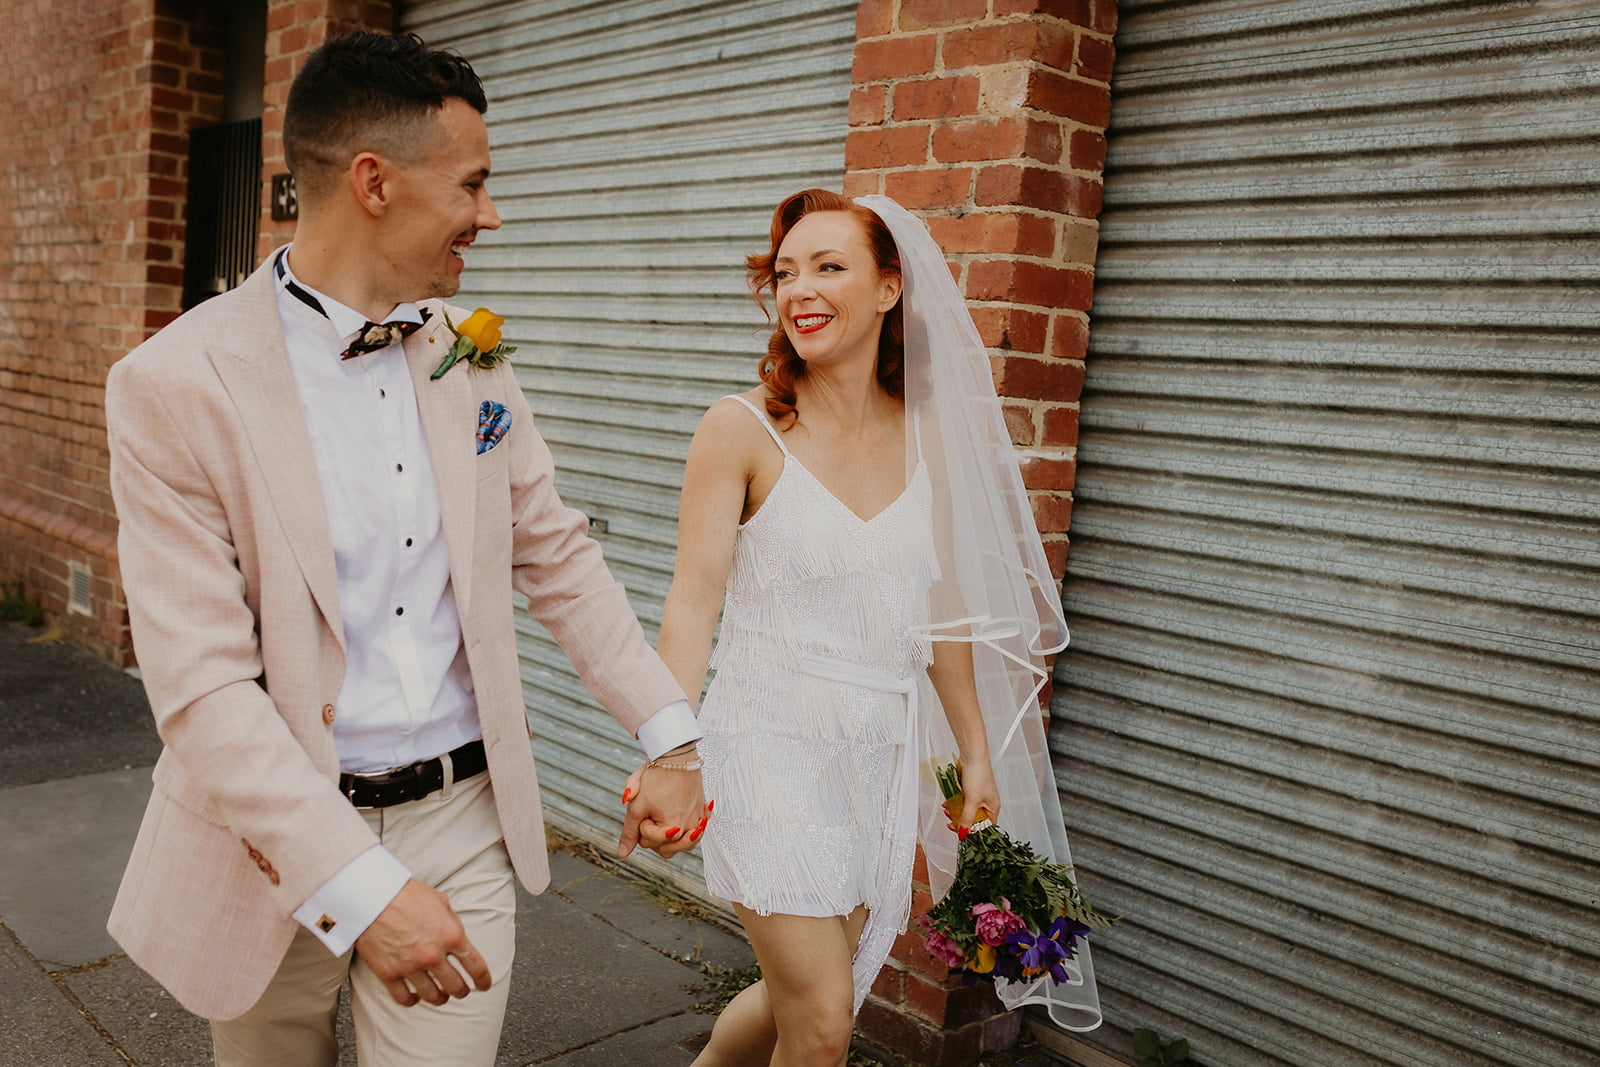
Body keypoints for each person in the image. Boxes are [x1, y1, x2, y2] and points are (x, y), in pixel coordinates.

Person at [104, 32, 708, 1066]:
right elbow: (202, 687)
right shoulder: (173, 382)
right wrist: (363, 889)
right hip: (267, 840)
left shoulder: (470, 347)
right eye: (474, 182)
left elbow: (556, 555)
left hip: (461, 816)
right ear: (374, 182)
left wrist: (672, 736)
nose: (492, 212)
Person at [658, 190, 1103, 1066]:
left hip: (878, 761)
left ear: (891, 289)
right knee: (824, 1024)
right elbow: (691, 602)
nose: (800, 289)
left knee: (807, 997)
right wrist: (671, 749)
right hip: (767, 740)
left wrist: (974, 747)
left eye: (829, 267)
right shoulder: (740, 430)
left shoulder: (927, 440)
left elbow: (942, 613)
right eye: (785, 272)